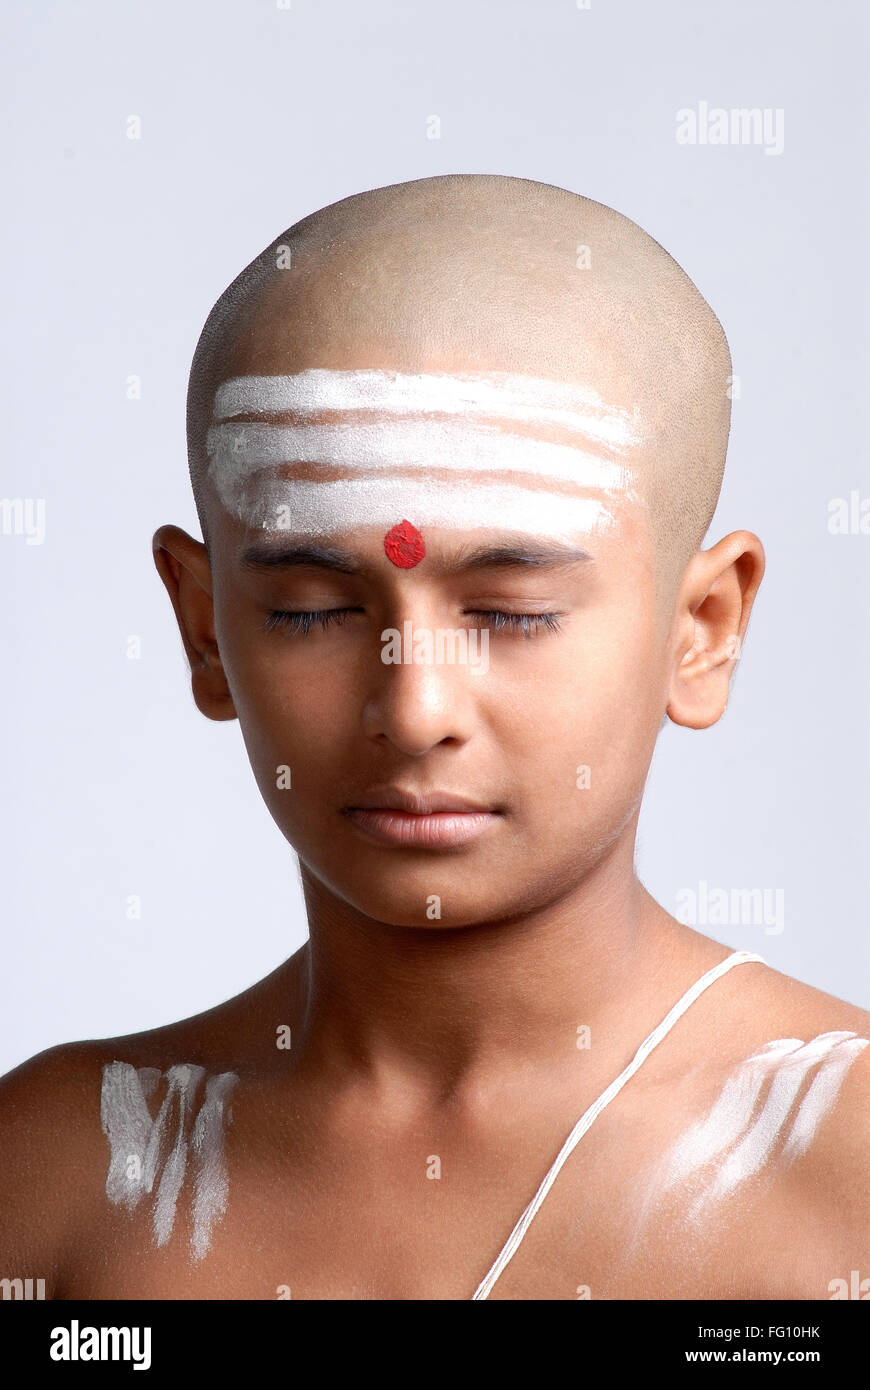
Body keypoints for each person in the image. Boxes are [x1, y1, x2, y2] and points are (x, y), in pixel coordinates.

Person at [2, 174, 868, 1301]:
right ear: (204, 630)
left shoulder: (844, 1171)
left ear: (700, 631)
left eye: (510, 611)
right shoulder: (58, 1179)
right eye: (314, 608)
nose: (415, 711)